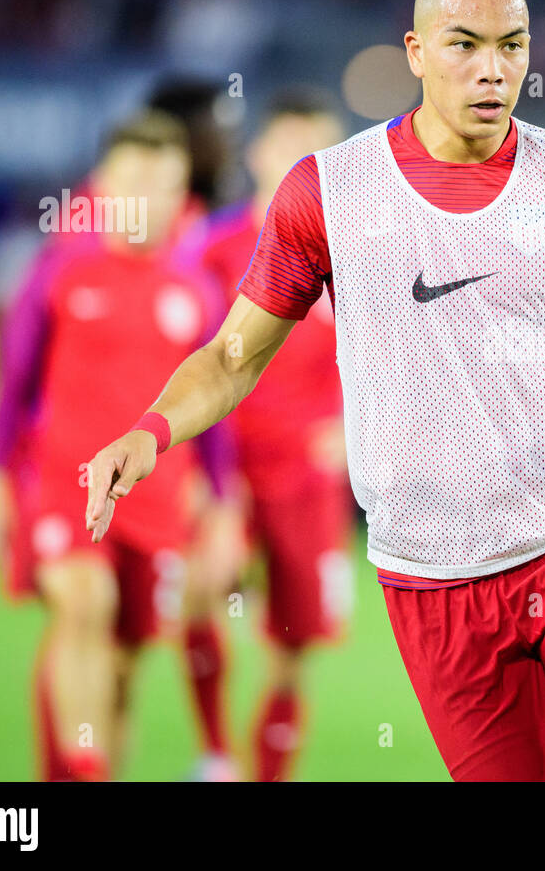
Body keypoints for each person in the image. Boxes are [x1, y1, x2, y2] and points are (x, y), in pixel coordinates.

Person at [84, 0, 545, 782]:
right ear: (416, 52)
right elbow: (234, 355)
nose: (493, 70)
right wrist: (150, 431)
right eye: (464, 45)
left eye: (513, 45)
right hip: (430, 571)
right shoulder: (329, 192)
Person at [0, 109, 243, 780]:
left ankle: (82, 771)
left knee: (122, 664)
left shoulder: (199, 293)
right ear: (105, 188)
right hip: (64, 485)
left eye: (164, 184)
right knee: (86, 603)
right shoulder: (57, 273)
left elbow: (215, 411)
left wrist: (226, 505)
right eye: (135, 180)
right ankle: (85, 769)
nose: (148, 198)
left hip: (156, 505)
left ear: (183, 195)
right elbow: (13, 386)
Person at [174, 89, 353, 782]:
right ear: (257, 154)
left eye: (318, 153)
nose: (302, 165)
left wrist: (352, 424)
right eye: (289, 148)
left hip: (307, 475)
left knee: (289, 644)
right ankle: (216, 753)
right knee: (203, 587)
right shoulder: (215, 250)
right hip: (228, 462)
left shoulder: (355, 257)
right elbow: (186, 353)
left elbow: (389, 354)